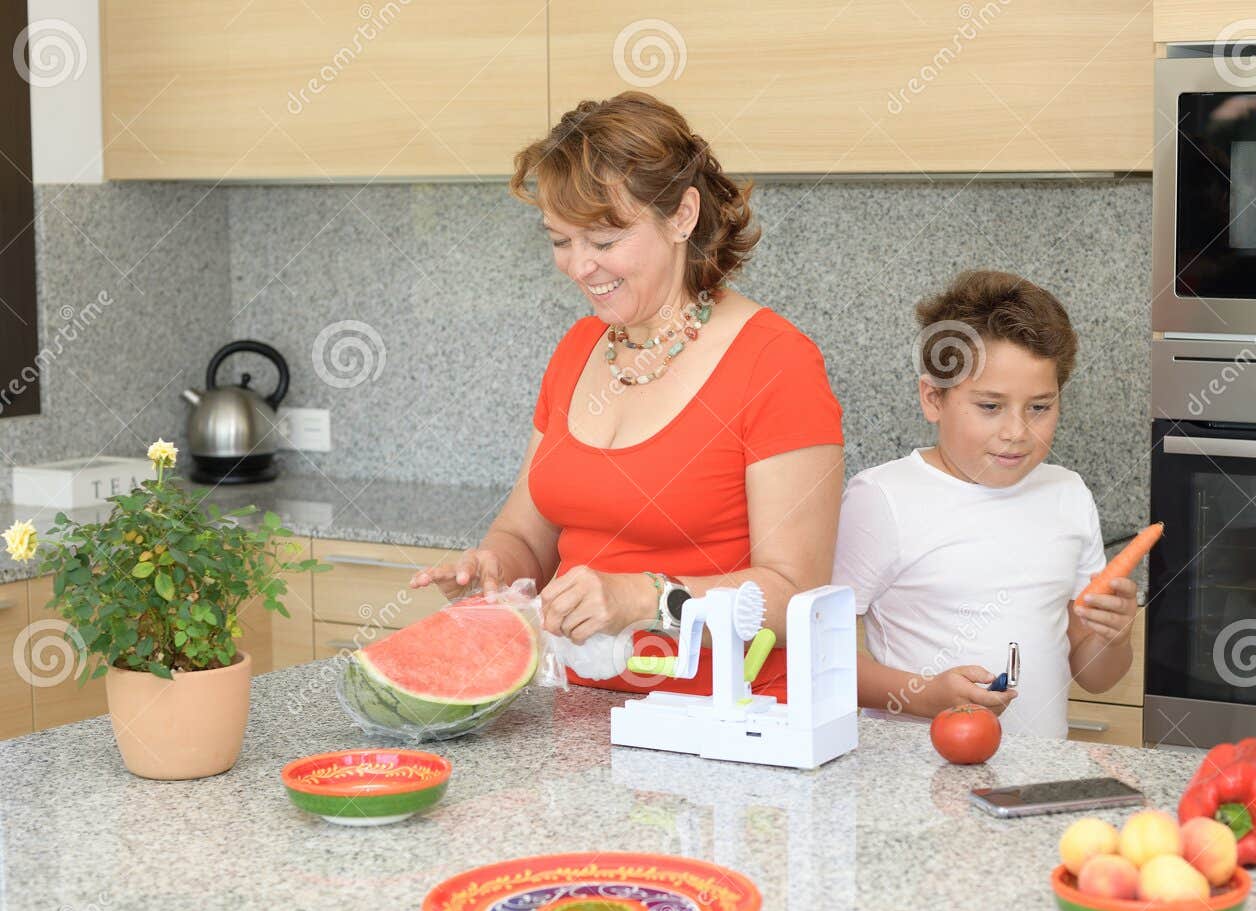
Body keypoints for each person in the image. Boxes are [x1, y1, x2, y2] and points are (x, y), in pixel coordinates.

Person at [411, 92, 844, 699]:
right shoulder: (579, 348)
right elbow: (527, 535)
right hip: (576, 709)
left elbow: (796, 594)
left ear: (682, 216)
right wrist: (491, 568)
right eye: (561, 241)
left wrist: (643, 596)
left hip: (726, 726)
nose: (579, 266)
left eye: (605, 240)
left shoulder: (777, 362)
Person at [832, 270, 1138, 737]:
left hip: (1035, 784)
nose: (1018, 431)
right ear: (934, 398)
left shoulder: (1068, 494)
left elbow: (1096, 677)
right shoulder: (883, 498)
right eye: (990, 406)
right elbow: (817, 655)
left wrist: (1114, 636)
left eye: (1039, 407)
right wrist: (926, 694)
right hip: (914, 784)